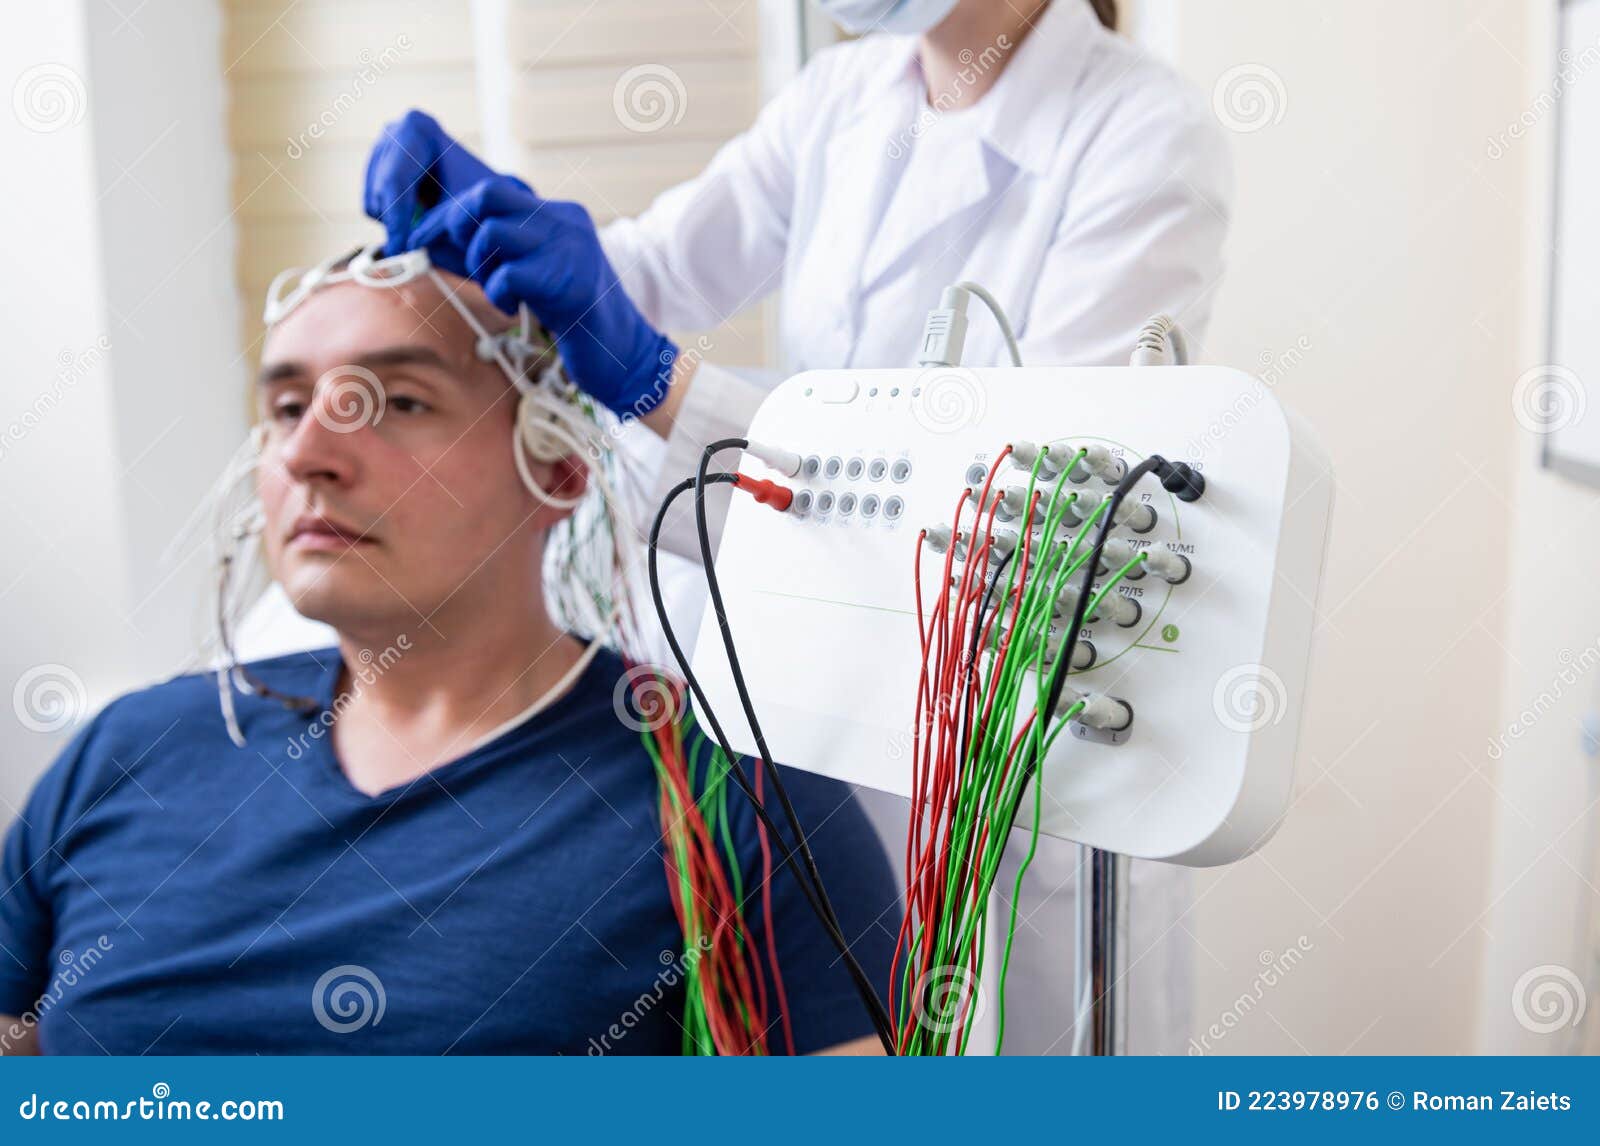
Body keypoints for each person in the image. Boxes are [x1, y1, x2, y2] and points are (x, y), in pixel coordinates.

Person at [362, 0, 1230, 1052]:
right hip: (815, 720)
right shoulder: (843, 96)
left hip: (993, 769)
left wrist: (649, 375)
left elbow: (1009, 523)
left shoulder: (1139, 133)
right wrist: (485, 237)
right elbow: (646, 272)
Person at [0, 261, 898, 1055]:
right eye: (285, 408)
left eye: (399, 403)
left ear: (557, 470)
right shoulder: (135, 751)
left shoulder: (732, 804)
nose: (309, 453)